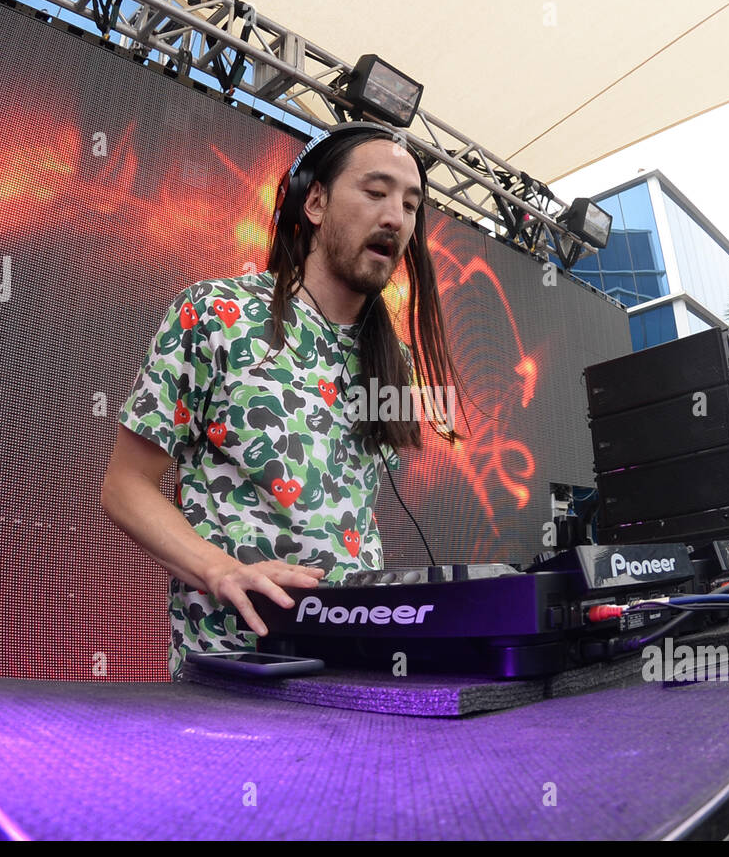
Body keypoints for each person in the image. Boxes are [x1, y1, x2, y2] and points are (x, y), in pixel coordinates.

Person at [101, 122, 463, 678]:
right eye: (375, 192)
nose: (396, 216)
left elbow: (352, 515)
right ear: (314, 202)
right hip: (235, 672)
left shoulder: (398, 365)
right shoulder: (216, 313)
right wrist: (218, 570)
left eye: (411, 205)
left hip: (358, 671)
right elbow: (124, 486)